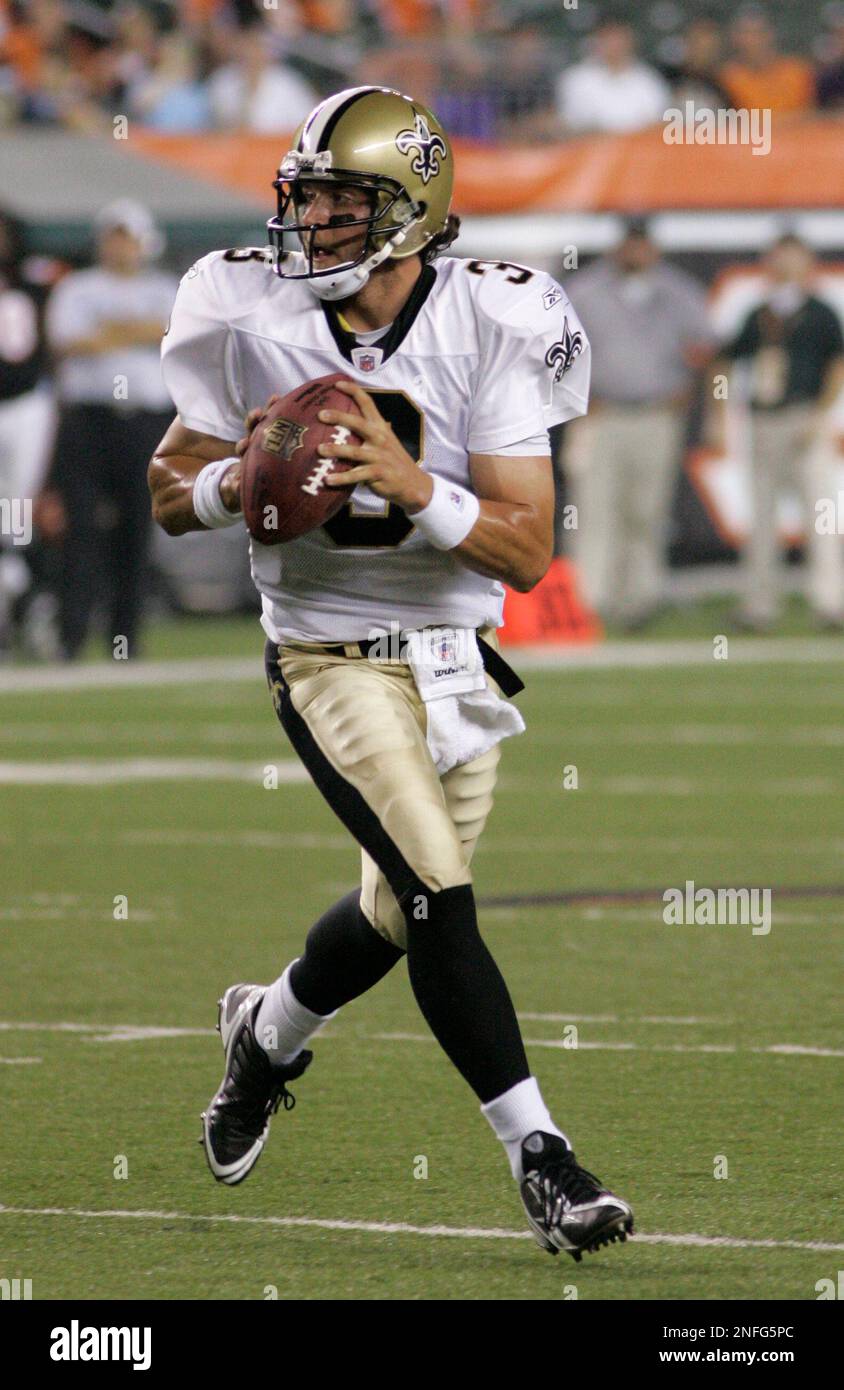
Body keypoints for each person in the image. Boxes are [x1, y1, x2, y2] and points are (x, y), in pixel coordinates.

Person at [149, 84, 633, 1261]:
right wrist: (242, 480)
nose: (305, 221)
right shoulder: (240, 301)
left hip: (457, 660)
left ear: (408, 211)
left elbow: (525, 549)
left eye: (336, 201)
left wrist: (414, 488)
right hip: (325, 655)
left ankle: (263, 1033)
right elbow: (168, 492)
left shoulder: (496, 315)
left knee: (393, 910)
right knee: (436, 894)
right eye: (301, 196)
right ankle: (543, 1158)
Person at [565, 219, 713, 628]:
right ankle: (589, 602)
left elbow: (706, 345)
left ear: (653, 247)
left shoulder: (677, 291)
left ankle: (640, 601)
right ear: (619, 246)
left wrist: (687, 388)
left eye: (642, 243)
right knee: (594, 507)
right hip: (600, 416)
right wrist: (575, 397)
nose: (636, 251)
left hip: (657, 415)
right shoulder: (586, 291)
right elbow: (554, 349)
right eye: (630, 242)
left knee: (647, 511)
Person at [46, 199, 177, 658]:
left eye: (126, 238)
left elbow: (175, 337)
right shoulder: (78, 287)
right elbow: (69, 342)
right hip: (89, 419)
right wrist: (138, 331)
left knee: (137, 528)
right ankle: (71, 637)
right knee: (80, 528)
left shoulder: (167, 289)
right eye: (113, 237)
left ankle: (126, 640)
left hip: (145, 423)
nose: (119, 247)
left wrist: (111, 332)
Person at [715, 234, 844, 630]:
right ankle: (760, 605)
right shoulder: (759, 315)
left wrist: (820, 417)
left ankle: (830, 602)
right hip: (764, 420)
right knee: (762, 517)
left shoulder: (821, 313)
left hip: (804, 417)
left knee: (820, 514)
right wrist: (719, 413)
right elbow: (725, 361)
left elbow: (837, 366)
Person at [0, 207, 55, 653]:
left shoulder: (34, 281)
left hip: (26, 403)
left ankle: (17, 582)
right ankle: (16, 583)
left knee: (17, 503)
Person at [555, 19, 671, 135]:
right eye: (608, 39)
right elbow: (569, 123)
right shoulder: (576, 79)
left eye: (619, 39)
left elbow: (658, 122)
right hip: (591, 143)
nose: (614, 45)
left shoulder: (648, 80)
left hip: (639, 143)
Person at [720, 7, 813, 115]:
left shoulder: (798, 73)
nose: (754, 41)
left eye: (759, 33)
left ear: (772, 35)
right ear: (735, 39)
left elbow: (814, 115)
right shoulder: (727, 80)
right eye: (746, 34)